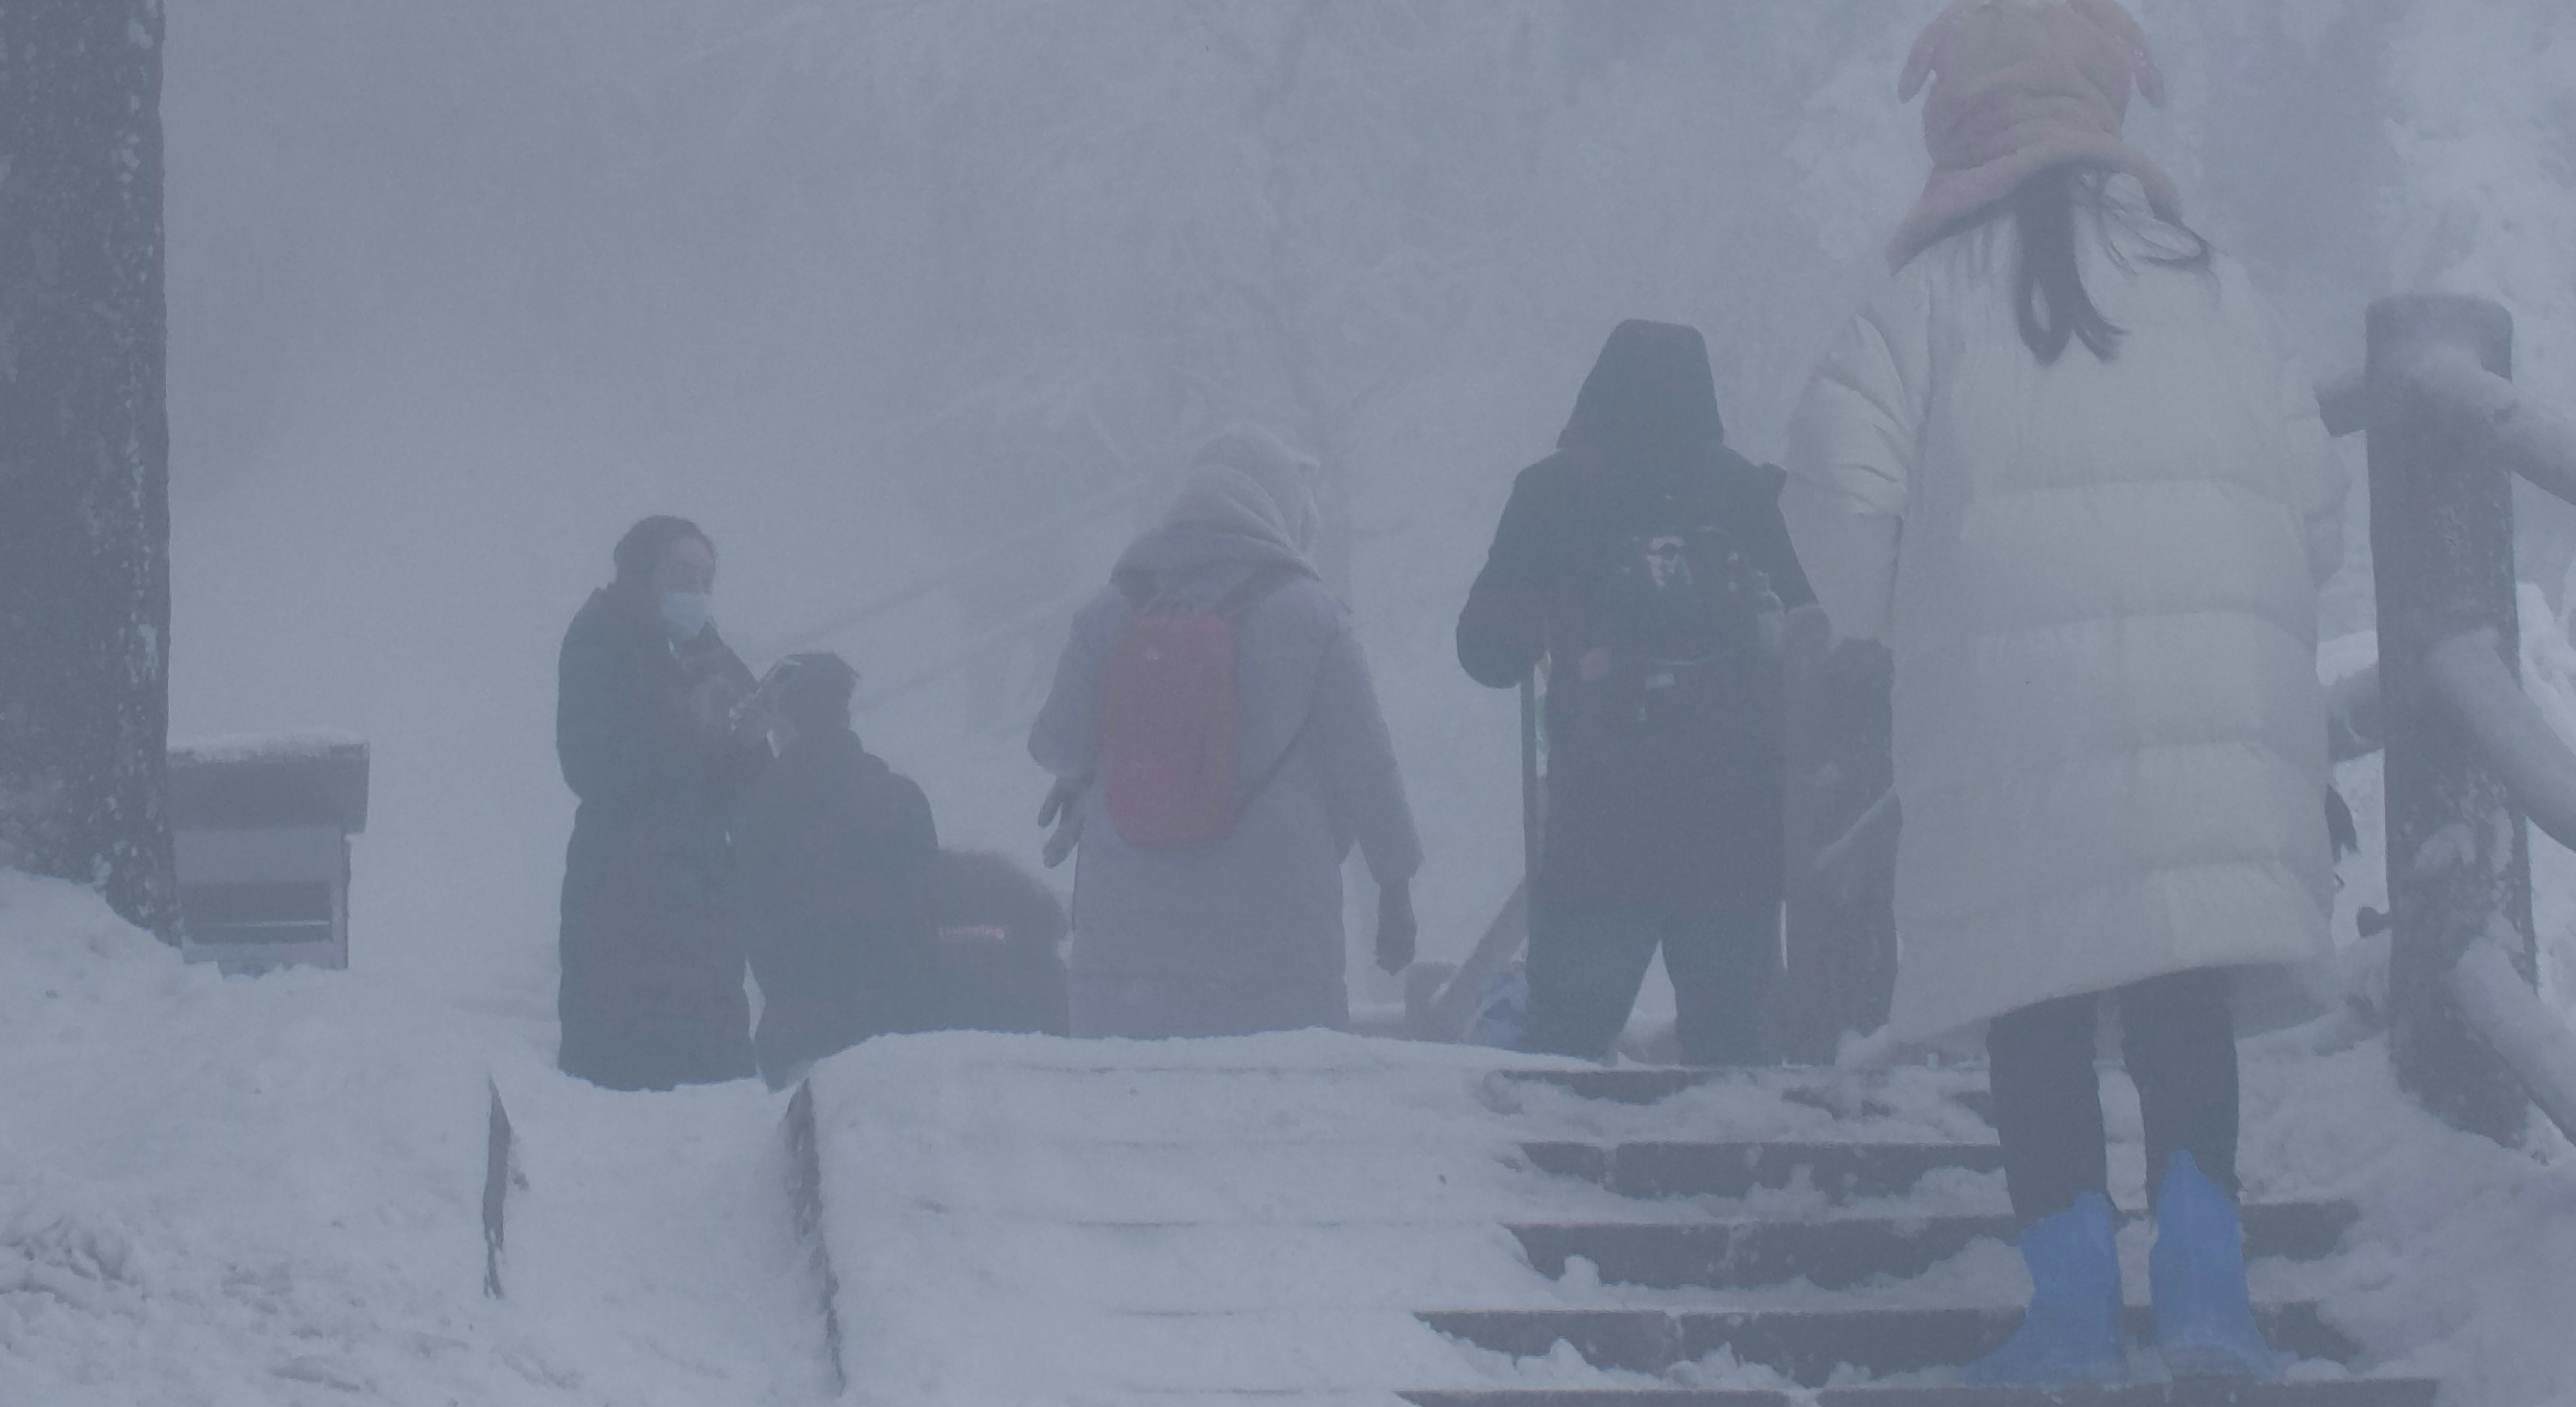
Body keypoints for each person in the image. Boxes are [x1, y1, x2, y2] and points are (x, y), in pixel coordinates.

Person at [1788, 0, 2342, 1382]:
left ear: (1955, 129)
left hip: (2009, 715)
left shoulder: (1916, 307)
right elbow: (2313, 496)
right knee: (2176, 995)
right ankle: (2210, 1297)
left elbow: (1839, 503)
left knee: (2033, 1002)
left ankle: (2074, 1307)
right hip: (2200, 699)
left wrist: (1894, 621)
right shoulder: (2214, 286)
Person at [1453, 322, 1813, 1068]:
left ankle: (1556, 1180)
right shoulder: (1742, 490)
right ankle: (1752, 1178)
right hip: (1733, 818)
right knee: (1733, 1050)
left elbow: (1487, 653)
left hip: (1603, 818)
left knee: (1565, 1046)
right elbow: (1809, 634)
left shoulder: (1553, 491)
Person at [1023, 434, 1419, 1040]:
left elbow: (1054, 743)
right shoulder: (1315, 617)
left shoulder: (1111, 610)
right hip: (1276, 952)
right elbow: (1367, 768)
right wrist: (1395, 886)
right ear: (1282, 510)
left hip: (1130, 955)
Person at [740, 649, 1061, 1064]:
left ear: (780, 722)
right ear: (845, 714)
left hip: (800, 1029)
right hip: (901, 1023)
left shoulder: (761, 809)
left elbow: (762, 933)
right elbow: (920, 914)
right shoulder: (900, 798)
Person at [551, 516, 769, 1091]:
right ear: (642, 573)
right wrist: (686, 726)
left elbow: (746, 791)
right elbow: (588, 765)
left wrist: (748, 745)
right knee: (627, 1072)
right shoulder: (600, 636)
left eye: (706, 577)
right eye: (681, 573)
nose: (695, 590)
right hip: (622, 891)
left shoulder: (708, 652)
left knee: (711, 1080)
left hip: (701, 897)